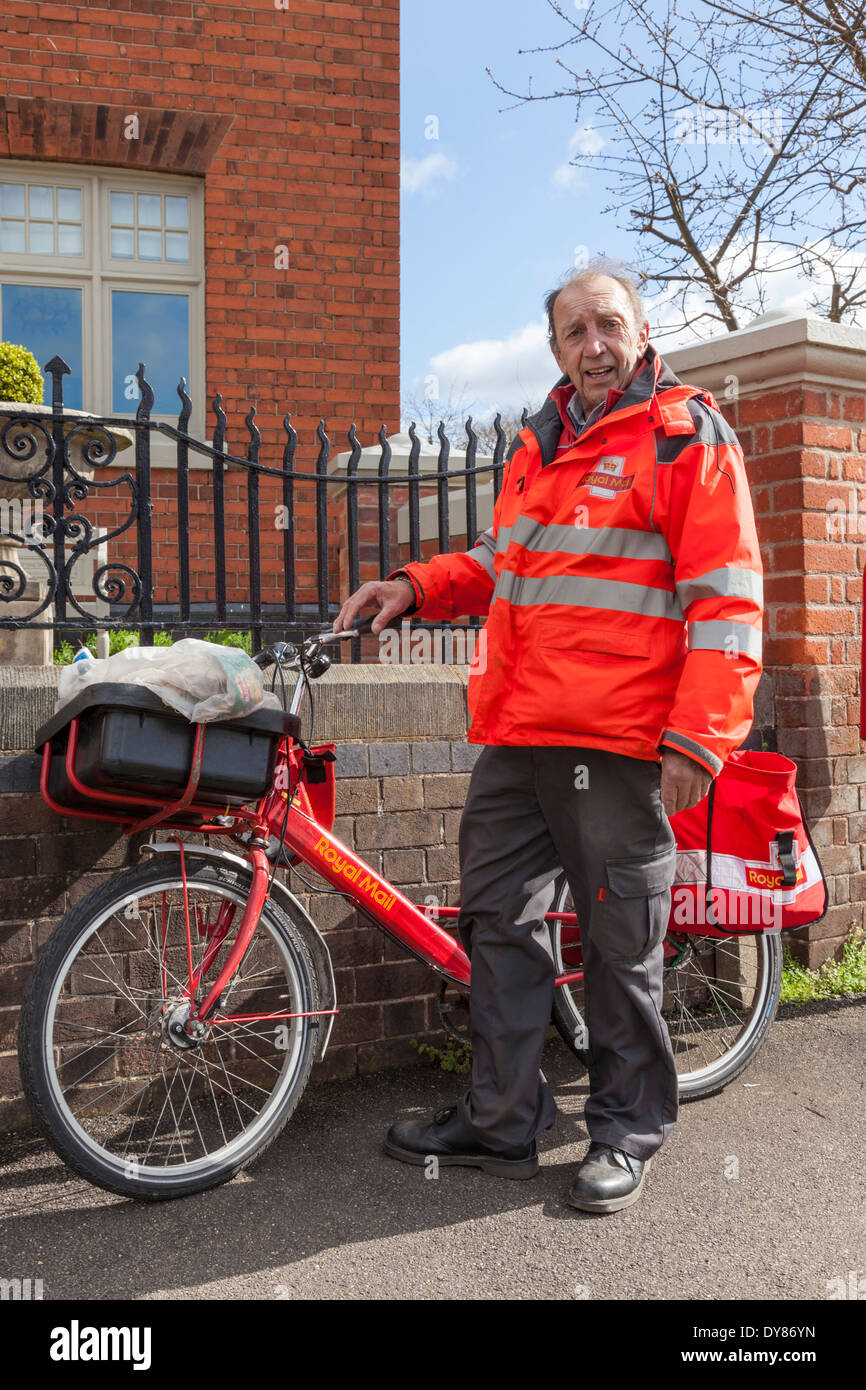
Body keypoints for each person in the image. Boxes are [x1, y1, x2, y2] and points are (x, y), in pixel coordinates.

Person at [333, 266, 763, 1213]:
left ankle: (625, 1131)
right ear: (557, 349)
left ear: (642, 333)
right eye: (574, 332)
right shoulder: (540, 441)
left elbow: (728, 602)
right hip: (519, 733)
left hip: (618, 742)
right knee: (499, 927)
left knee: (620, 943)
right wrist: (413, 584)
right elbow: (505, 562)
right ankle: (502, 1123)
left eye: (609, 324)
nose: (593, 344)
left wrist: (701, 735)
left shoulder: (683, 436)